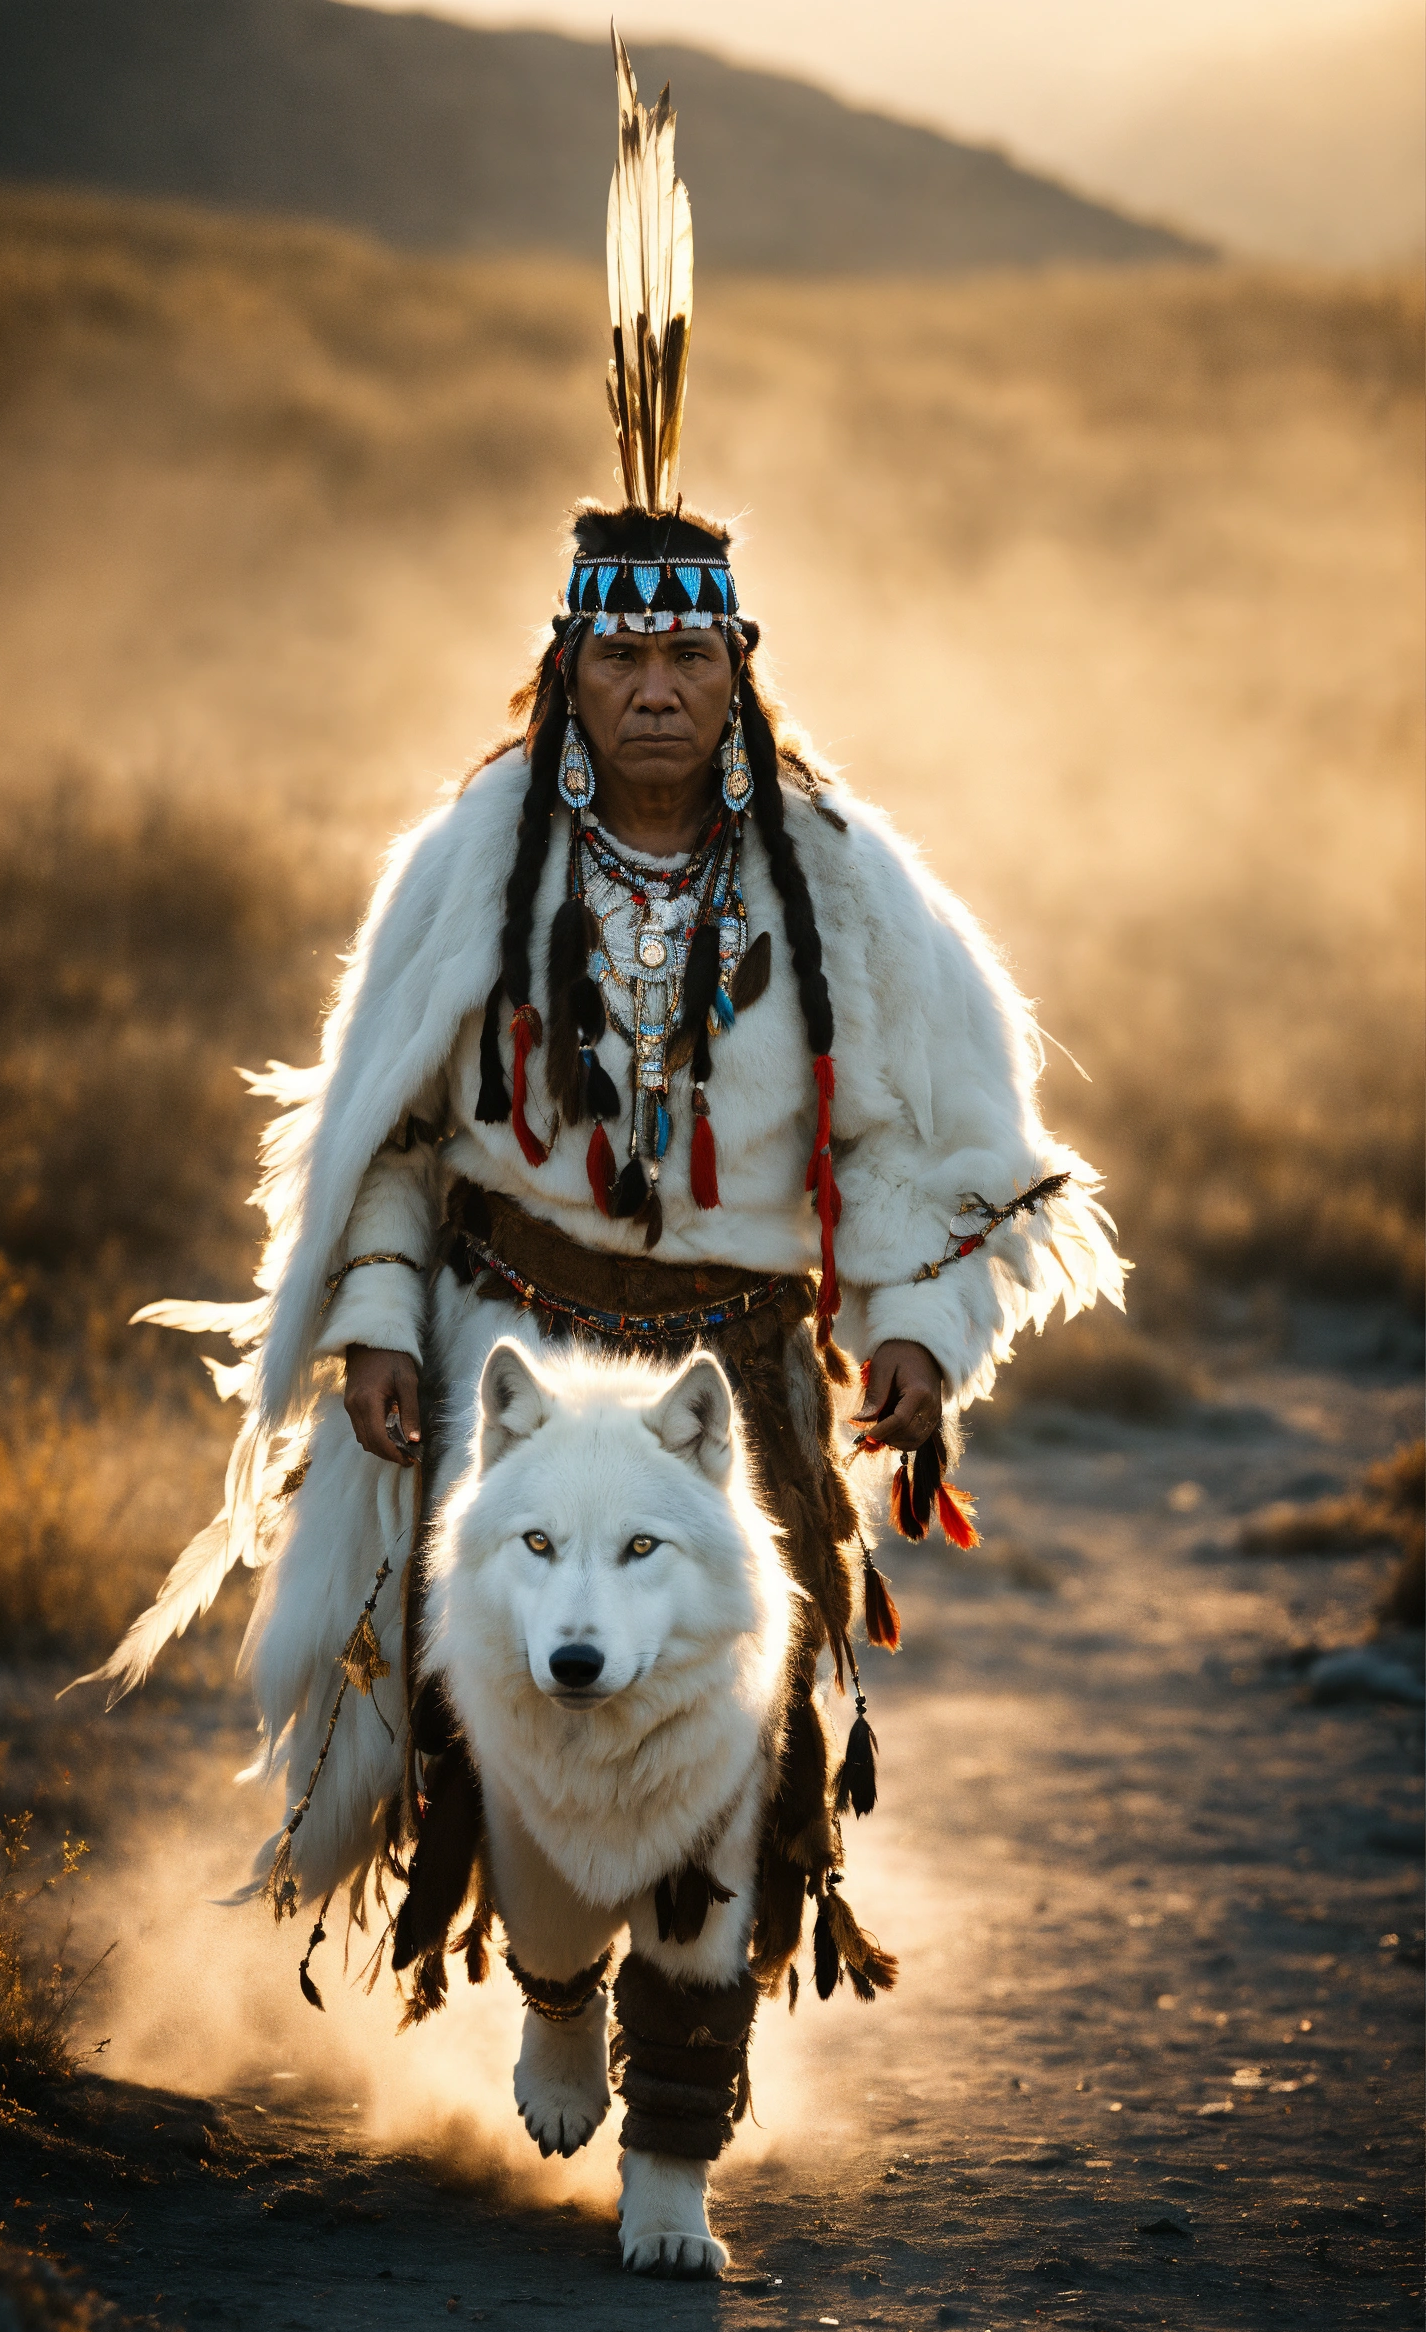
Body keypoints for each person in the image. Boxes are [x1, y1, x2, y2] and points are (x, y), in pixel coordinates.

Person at [99, 39, 1124, 2066]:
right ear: (570, 668)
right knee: (502, 1710)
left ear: (741, 669)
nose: (657, 683)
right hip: (508, 1337)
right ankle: (554, 1995)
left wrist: (919, 1321)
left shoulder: (841, 879)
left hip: (734, 1360)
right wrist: (381, 1313)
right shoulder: (471, 862)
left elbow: (932, 1131)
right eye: (621, 652)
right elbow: (387, 1130)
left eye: (692, 652)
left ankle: (688, 2095)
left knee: (732, 1721)